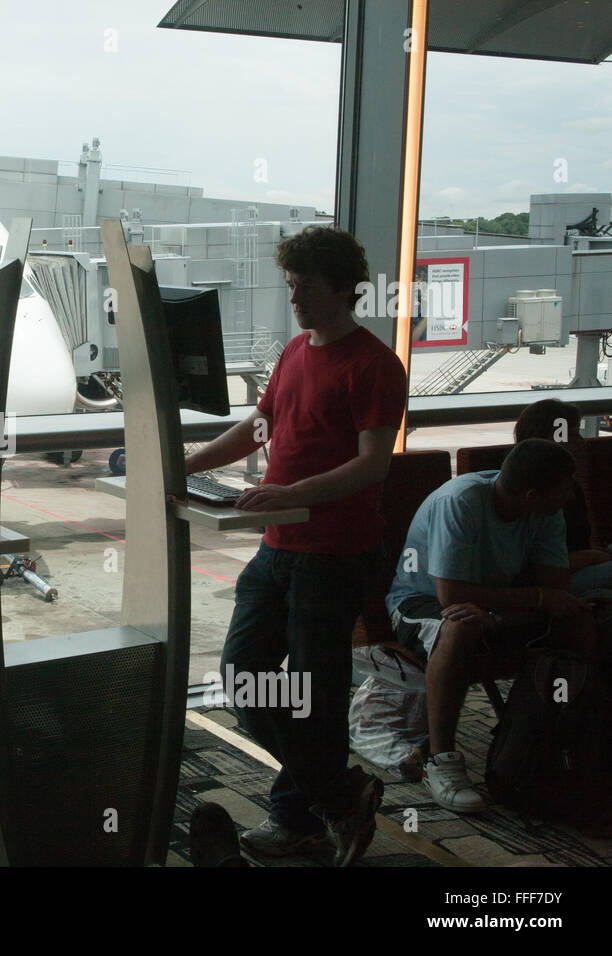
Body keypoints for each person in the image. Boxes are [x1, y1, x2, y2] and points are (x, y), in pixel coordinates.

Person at [185, 226, 407, 866]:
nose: (296, 299)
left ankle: (299, 819)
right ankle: (340, 799)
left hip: (334, 553)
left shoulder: (372, 365)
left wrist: (291, 491)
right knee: (246, 678)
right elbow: (258, 428)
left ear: (344, 289)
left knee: (312, 695)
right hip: (282, 546)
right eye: (291, 286)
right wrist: (185, 467)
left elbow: (373, 466)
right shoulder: (294, 354)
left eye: (307, 288)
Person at [385, 438, 598, 812]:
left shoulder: (547, 511)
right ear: (532, 495)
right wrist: (532, 603)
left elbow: (555, 587)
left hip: (494, 598)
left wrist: (504, 614)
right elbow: (450, 594)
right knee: (460, 626)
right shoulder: (461, 502)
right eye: (565, 489)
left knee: (577, 616)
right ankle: (441, 759)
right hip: (420, 601)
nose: (570, 497)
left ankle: (564, 736)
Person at [513, 399, 612, 594]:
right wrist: (592, 556)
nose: (582, 443)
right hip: (557, 578)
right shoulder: (539, 493)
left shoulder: (565, 484)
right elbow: (536, 565)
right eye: (574, 435)